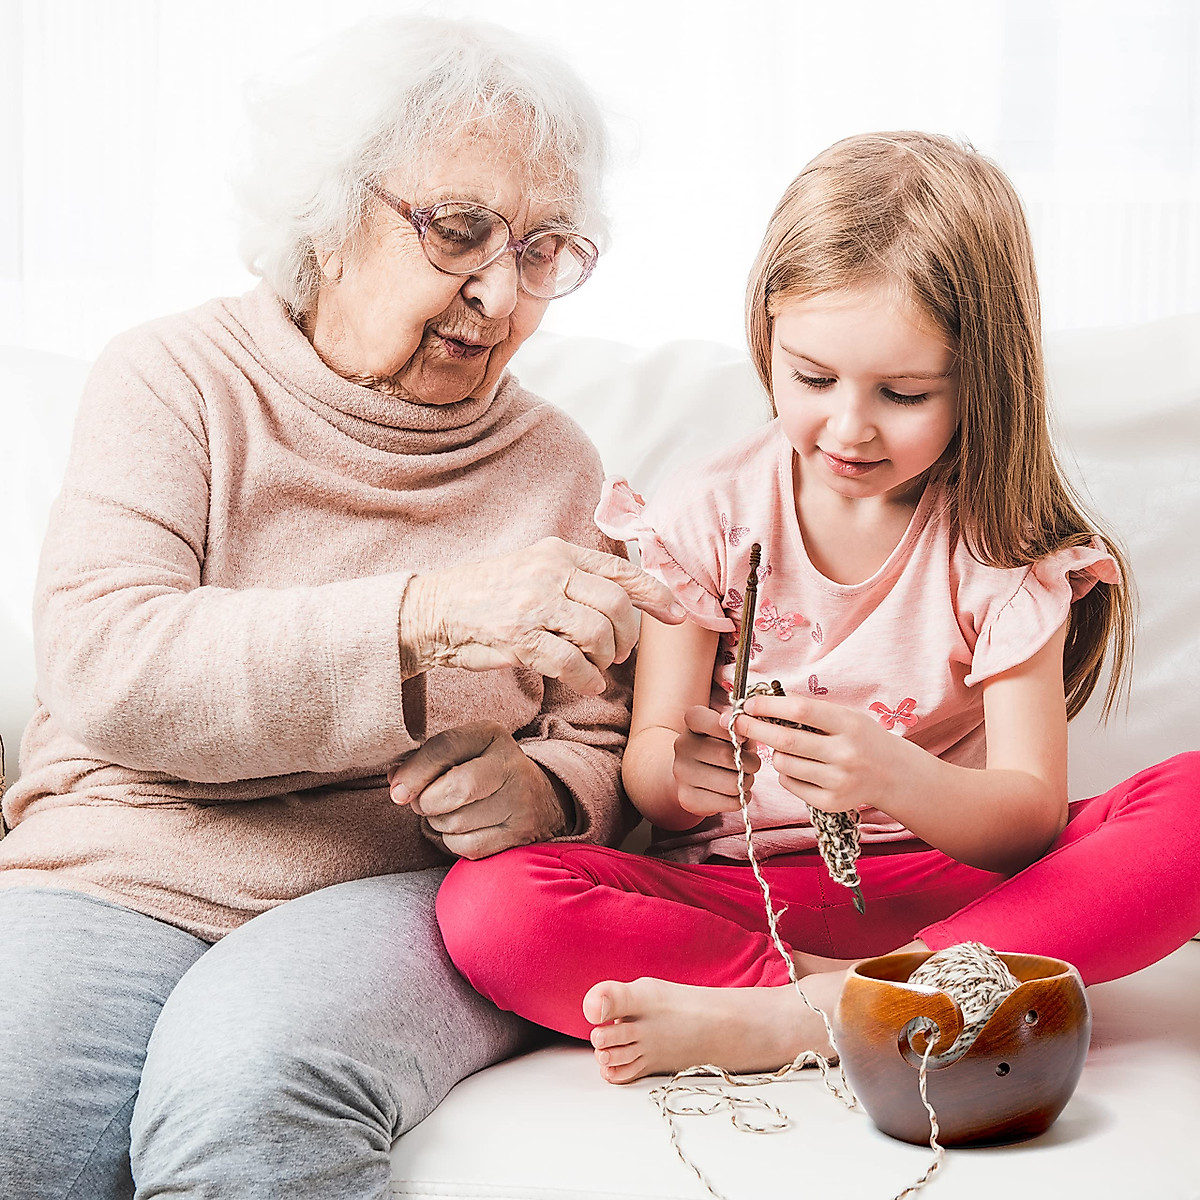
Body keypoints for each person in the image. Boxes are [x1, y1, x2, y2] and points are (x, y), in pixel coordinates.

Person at [0, 17, 682, 1199]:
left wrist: (540, 793)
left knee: (248, 1098)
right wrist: (425, 617)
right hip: (117, 864)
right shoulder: (171, 381)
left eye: (542, 251)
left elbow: (604, 750)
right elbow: (105, 662)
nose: (497, 291)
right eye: (460, 232)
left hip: (386, 892)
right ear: (328, 212)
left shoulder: (554, 467)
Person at [436, 131, 1200, 1084]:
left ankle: (821, 1014)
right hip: (741, 896)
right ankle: (845, 1000)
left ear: (982, 380)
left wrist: (894, 775)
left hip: (953, 900)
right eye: (812, 378)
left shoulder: (1004, 546)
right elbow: (651, 773)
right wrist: (682, 770)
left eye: (906, 393)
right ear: (766, 339)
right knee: (490, 905)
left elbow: (1029, 821)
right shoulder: (707, 516)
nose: (849, 427)